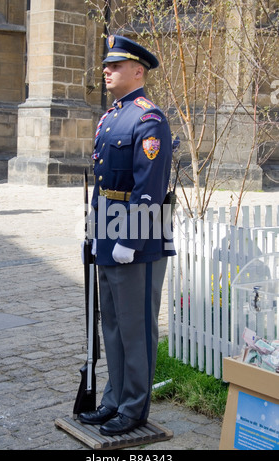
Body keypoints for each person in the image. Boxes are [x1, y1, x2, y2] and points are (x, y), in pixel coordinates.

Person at [79, 35, 175, 436]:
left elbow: (150, 185)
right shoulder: (110, 117)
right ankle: (114, 398)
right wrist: (94, 231)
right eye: (106, 65)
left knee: (136, 326)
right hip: (107, 228)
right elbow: (103, 182)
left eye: (115, 65)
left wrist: (130, 239)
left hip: (139, 235)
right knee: (113, 324)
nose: (106, 70)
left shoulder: (148, 119)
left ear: (138, 71)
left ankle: (135, 406)